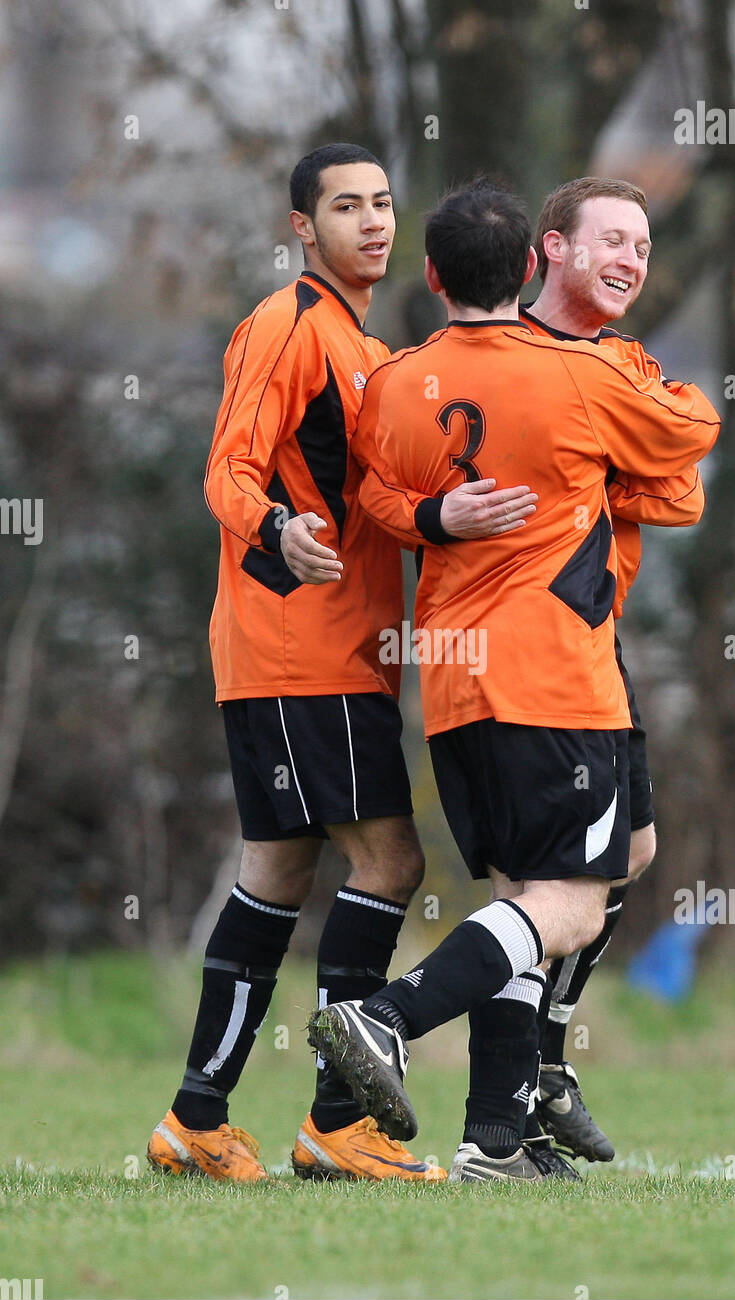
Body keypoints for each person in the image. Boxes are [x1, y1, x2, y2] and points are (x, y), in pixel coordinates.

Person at [308, 178, 720, 1165]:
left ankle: (499, 1131)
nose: (629, 257)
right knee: (568, 899)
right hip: (551, 673)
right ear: (541, 257)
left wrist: (435, 514)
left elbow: (368, 489)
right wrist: (610, 443)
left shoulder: (399, 380)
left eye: (641, 243)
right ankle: (389, 1022)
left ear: (432, 273)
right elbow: (689, 447)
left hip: (455, 682)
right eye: (611, 238)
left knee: (536, 895)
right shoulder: (590, 377)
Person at [146, 143, 532, 1186]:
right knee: (390, 862)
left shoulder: (361, 344)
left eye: (381, 203)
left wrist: (446, 517)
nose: (371, 220)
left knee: (275, 868)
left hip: (335, 653)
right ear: (300, 229)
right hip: (295, 647)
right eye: (344, 206)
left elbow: (370, 498)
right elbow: (225, 470)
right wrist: (276, 528)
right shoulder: (286, 325)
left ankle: (195, 1121)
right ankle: (333, 1121)